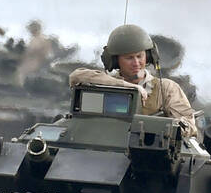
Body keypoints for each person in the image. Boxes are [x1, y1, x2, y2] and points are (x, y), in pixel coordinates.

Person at [68, 23, 198, 137]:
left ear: (148, 56)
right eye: (129, 58)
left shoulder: (166, 88)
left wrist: (161, 126)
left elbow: (190, 125)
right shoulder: (107, 84)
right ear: (115, 60)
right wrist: (126, 86)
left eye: (139, 56)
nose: (136, 63)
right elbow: (76, 77)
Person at [15, 20, 56, 86]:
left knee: (20, 71)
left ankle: (22, 88)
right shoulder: (44, 38)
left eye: (31, 29)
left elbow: (29, 52)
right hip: (41, 62)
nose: (30, 31)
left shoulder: (37, 39)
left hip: (35, 62)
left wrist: (23, 57)